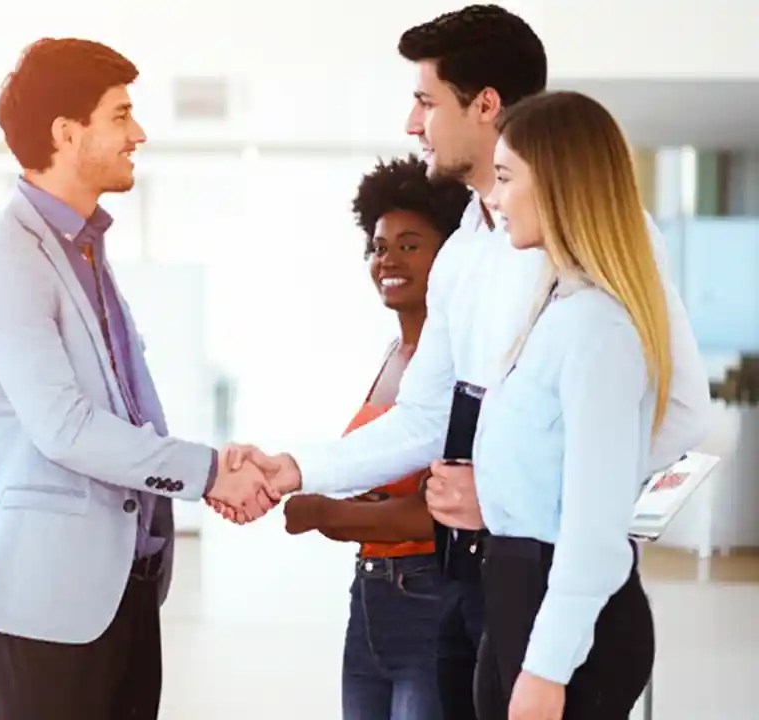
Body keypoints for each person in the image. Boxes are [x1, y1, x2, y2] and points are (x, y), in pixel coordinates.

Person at [222, 5, 712, 718]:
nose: (411, 123)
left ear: (485, 105)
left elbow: (678, 411)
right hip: (474, 579)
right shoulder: (466, 253)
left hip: (549, 575)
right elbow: (425, 416)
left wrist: (524, 497)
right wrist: (293, 468)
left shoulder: (600, 245)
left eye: (425, 100)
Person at [0, 38, 277, 720]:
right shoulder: (6, 259)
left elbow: (124, 408)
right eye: (121, 115)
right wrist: (208, 470)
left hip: (123, 589)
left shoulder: (83, 249)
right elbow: (65, 428)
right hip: (53, 607)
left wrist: (213, 463)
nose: (139, 134)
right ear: (67, 134)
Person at [472, 89, 662, 720]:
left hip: (562, 614)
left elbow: (594, 532)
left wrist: (547, 668)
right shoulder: (555, 306)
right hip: (514, 589)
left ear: (557, 183)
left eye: (504, 178)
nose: (493, 198)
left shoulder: (598, 330)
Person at [284, 155, 471, 720]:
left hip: (432, 599)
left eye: (410, 245)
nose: (388, 259)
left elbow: (436, 513)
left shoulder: (462, 361)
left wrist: (326, 514)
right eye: (379, 245)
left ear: (452, 256)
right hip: (370, 601)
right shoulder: (393, 355)